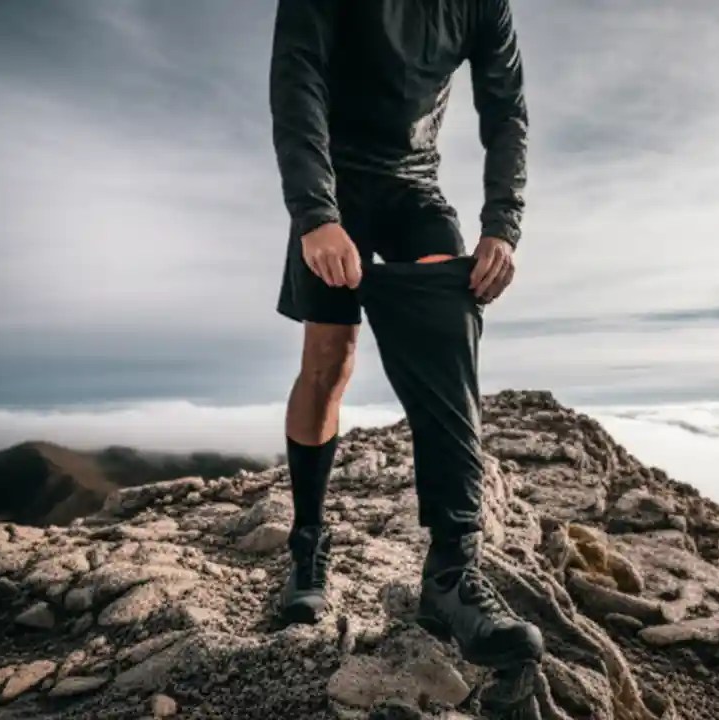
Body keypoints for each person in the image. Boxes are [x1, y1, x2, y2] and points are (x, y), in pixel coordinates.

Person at [268, 0, 543, 669]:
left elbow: (506, 111)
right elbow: (296, 83)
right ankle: (308, 543)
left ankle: (451, 575)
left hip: (416, 189)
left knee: (450, 335)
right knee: (329, 362)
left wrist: (502, 225)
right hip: (336, 188)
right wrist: (315, 215)